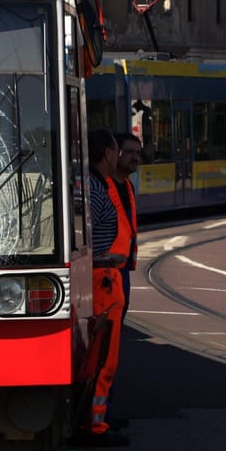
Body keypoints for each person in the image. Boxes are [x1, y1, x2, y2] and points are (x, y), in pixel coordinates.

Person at [77, 128, 132, 447]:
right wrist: (104, 258)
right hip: (103, 285)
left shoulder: (95, 185)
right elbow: (86, 238)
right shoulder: (96, 191)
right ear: (108, 154)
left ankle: (97, 418)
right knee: (102, 360)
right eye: (117, 152)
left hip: (105, 281)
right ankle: (94, 426)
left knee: (100, 359)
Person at [105, 131, 141, 429]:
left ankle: (106, 408)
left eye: (137, 153)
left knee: (114, 346)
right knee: (106, 346)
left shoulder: (127, 186)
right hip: (106, 273)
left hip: (121, 271)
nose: (134, 158)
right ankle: (100, 412)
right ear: (114, 153)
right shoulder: (103, 185)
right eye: (129, 152)